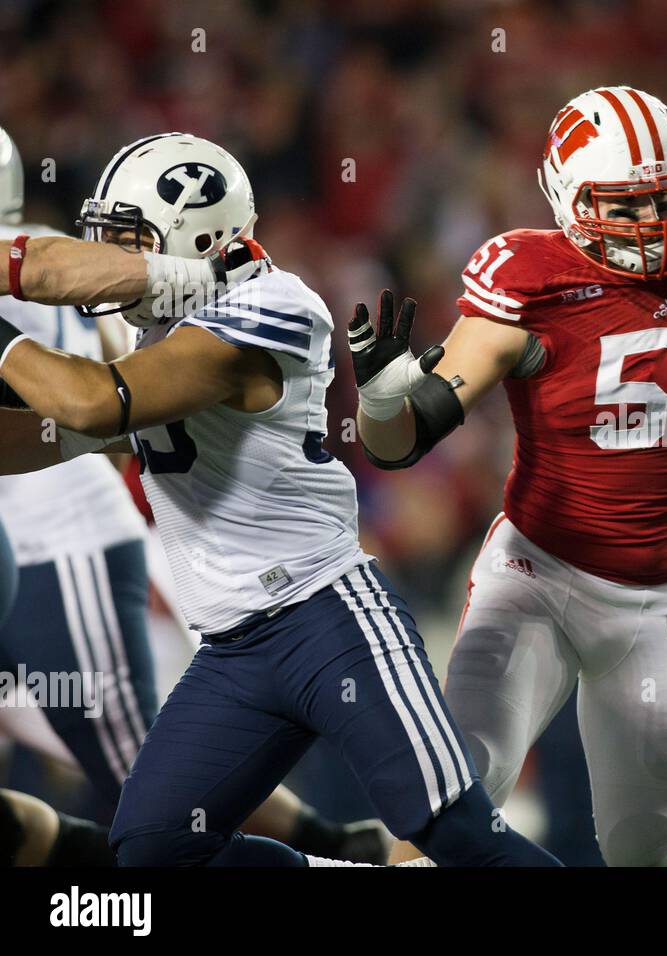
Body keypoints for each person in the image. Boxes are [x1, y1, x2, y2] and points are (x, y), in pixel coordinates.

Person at [0, 131, 556, 866]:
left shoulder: (272, 304)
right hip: (233, 646)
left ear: (193, 235)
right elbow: (55, 434)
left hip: (325, 616)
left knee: (451, 829)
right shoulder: (164, 328)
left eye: (132, 242)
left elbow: (97, 404)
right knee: (153, 852)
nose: (114, 258)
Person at [351, 86, 667, 866]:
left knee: (647, 851)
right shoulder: (531, 276)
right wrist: (383, 399)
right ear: (567, 198)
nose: (652, 224)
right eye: (625, 206)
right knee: (447, 800)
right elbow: (399, 442)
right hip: (538, 576)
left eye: (665, 198)